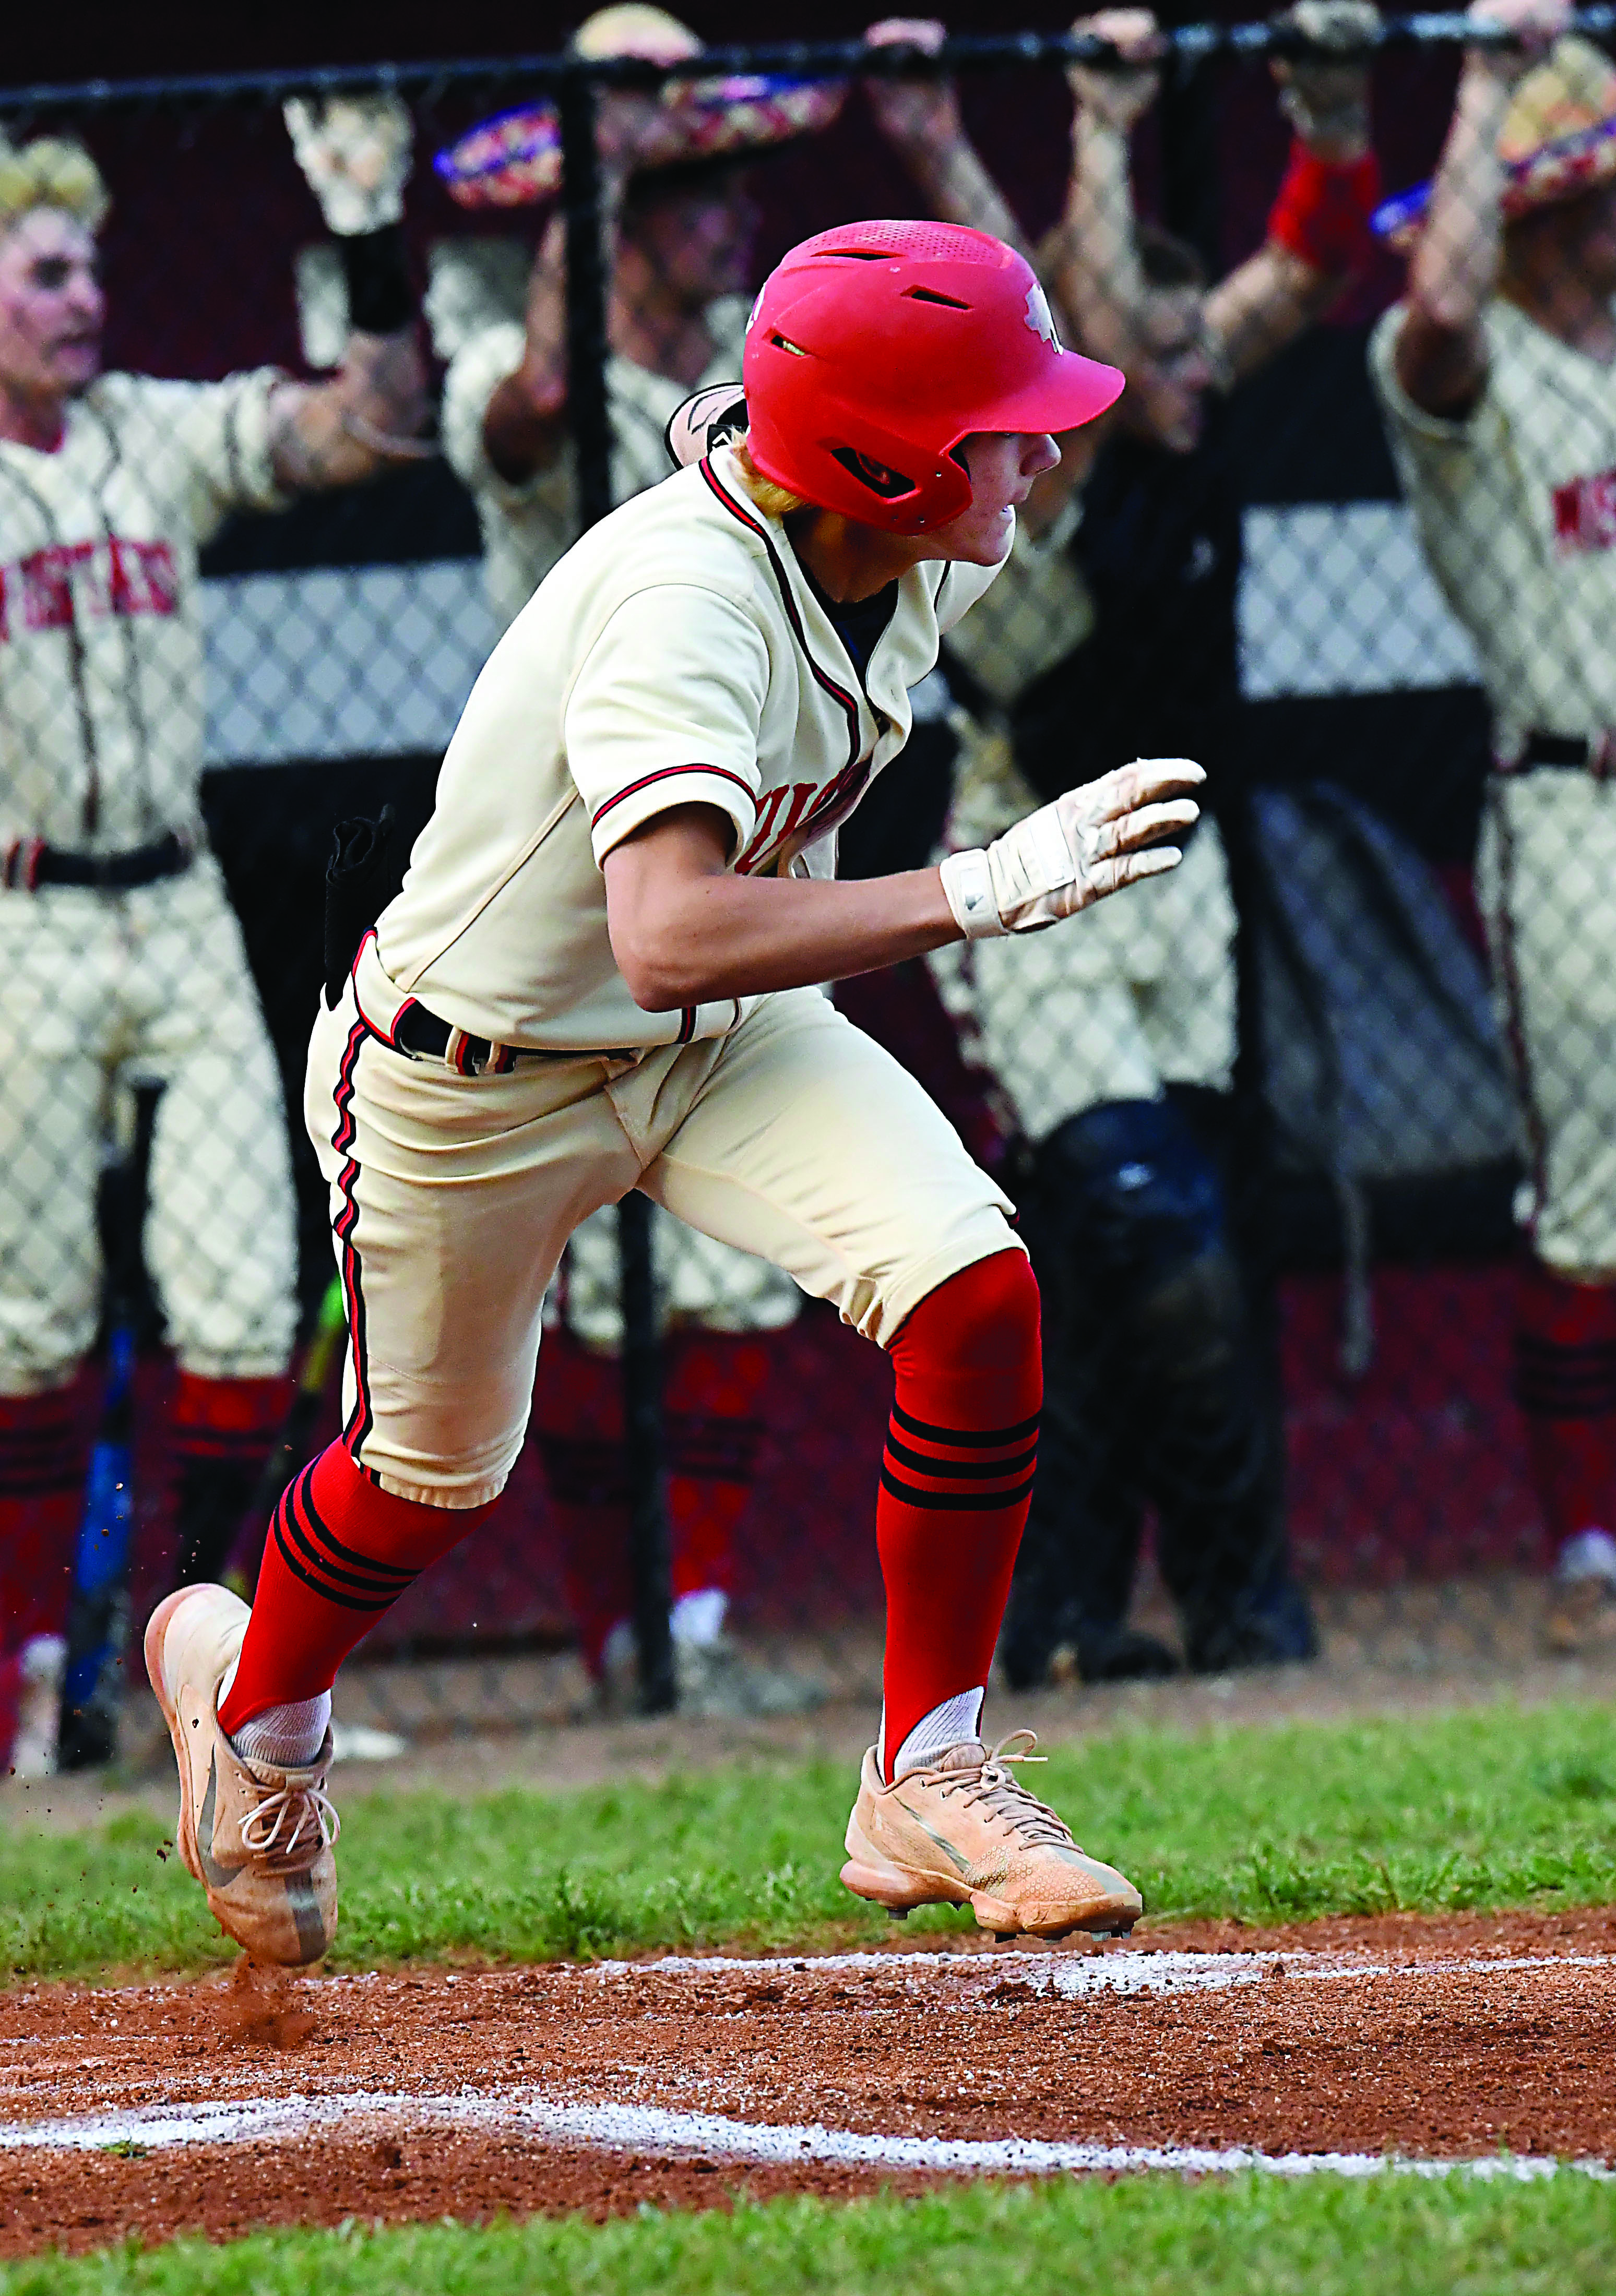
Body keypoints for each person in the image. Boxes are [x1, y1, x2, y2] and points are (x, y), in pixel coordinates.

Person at [144, 216, 1204, 1967]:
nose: (1040, 444)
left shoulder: (904, 536)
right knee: (426, 1476)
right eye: (997, 421)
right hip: (477, 1071)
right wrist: (980, 889)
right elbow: (668, 925)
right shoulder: (682, 600)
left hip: (721, 1040)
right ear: (876, 460)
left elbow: (705, 960)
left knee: (976, 1291)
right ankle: (251, 1715)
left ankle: (924, 1765)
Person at [866, 8, 1383, 1678]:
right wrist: (1088, 125)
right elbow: (1087, 333)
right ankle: (1192, 1610)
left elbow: (1304, 262)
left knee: (1178, 1254)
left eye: (1195, 350)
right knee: (1145, 1233)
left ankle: (1139, 1613)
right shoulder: (1061, 471)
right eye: (1165, 354)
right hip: (1042, 875)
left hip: (1188, 875)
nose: (1194, 372)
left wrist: (1331, 101)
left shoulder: (1192, 398)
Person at [0, 108, 429, 1773]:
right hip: (22, 909)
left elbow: (370, 425)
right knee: (29, 1327)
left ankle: (212, 1666)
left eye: (88, 268)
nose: (78, 298)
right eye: (41, 273)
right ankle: (38, 1691)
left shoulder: (150, 437)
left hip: (171, 900)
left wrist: (362, 232)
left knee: (250, 1308)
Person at [437, 4, 839, 1716]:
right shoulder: (516, 349)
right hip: (573, 861)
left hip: (741, 852)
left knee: (746, 1261)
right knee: (591, 1290)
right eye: (684, 186)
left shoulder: (768, 389)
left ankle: (689, 1628)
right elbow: (530, 406)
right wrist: (593, 179)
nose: (719, 212)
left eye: (725, 178)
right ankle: (618, 1647)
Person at [1370, 0, 1616, 1653]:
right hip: (1571, 800)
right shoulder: (1476, 365)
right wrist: (1482, 88)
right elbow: (1439, 306)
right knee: (1595, 1198)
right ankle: (1593, 1557)